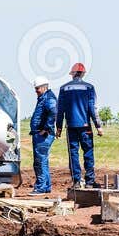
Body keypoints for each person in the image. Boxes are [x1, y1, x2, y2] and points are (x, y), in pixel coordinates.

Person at [56, 61, 101, 189]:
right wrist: (98, 126)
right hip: (85, 126)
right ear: (82, 74)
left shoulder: (64, 88)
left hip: (70, 126)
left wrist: (58, 127)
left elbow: (60, 110)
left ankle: (76, 181)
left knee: (73, 154)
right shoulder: (89, 87)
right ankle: (89, 182)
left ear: (73, 74)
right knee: (88, 153)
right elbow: (92, 108)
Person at [29, 77, 56, 194]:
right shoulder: (43, 98)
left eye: (37, 88)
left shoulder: (48, 98)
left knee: (39, 161)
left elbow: (54, 112)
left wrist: (45, 129)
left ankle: (40, 187)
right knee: (43, 161)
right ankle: (46, 186)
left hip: (43, 135)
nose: (36, 91)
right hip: (39, 134)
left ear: (44, 87)